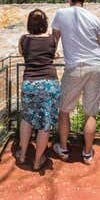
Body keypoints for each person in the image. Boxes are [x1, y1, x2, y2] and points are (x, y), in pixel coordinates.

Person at [51, 0, 100, 165]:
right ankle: (87, 154)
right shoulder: (96, 19)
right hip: (96, 66)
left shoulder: (60, 14)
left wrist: (54, 52)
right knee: (90, 113)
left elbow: (53, 41)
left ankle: (63, 148)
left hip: (74, 67)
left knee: (64, 110)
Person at [16, 9, 61, 171]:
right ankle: (37, 161)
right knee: (45, 123)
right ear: (45, 24)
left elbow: (22, 53)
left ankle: (22, 155)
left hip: (30, 83)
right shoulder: (52, 39)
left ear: (29, 24)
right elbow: (54, 54)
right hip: (49, 84)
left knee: (27, 119)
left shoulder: (23, 40)